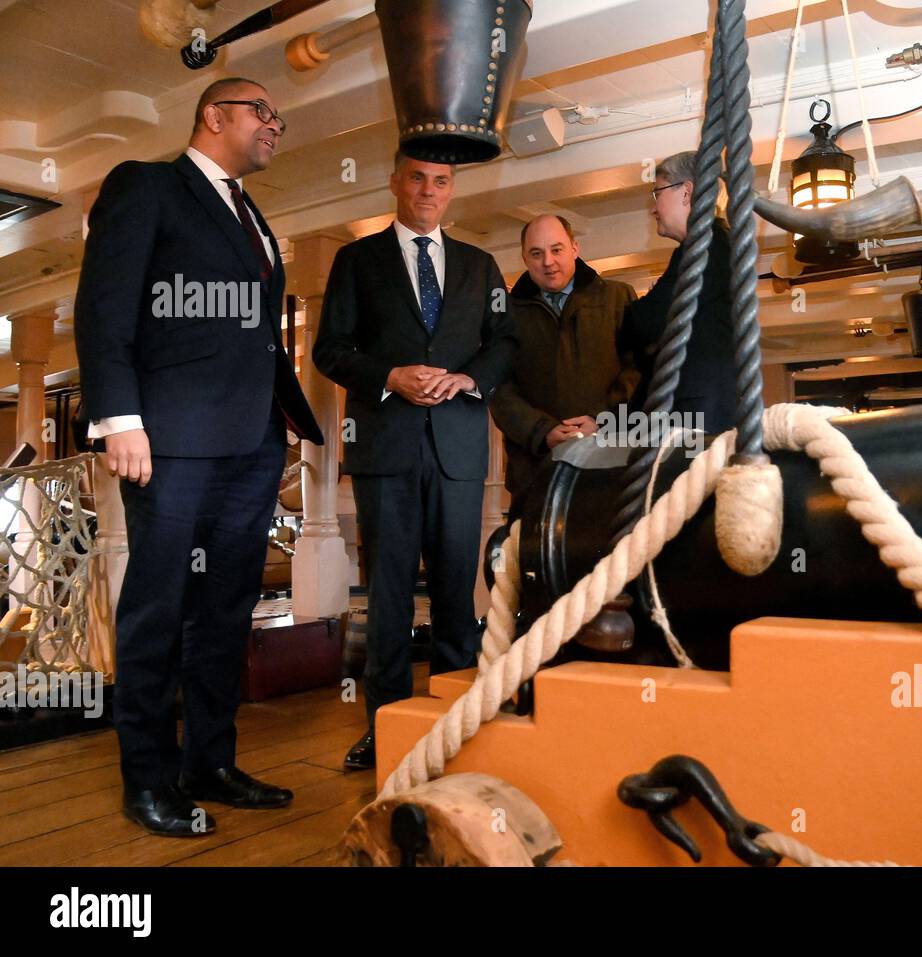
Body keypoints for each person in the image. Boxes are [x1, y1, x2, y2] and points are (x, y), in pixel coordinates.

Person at [74, 77, 324, 837]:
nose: (276, 125)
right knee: (159, 607)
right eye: (263, 112)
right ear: (214, 115)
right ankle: (146, 778)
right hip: (171, 440)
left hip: (252, 444)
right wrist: (120, 418)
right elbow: (104, 303)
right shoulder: (146, 186)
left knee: (224, 609)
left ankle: (209, 761)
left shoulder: (251, 214)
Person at [313, 151, 518, 772]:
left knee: (459, 595)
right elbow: (330, 349)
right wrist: (390, 376)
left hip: (458, 451)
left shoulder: (482, 267)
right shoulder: (356, 261)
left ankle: (456, 726)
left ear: (452, 191)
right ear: (395, 181)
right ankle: (387, 729)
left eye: (442, 181)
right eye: (418, 179)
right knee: (390, 598)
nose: (429, 191)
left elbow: (505, 341)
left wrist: (465, 380)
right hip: (386, 450)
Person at [490, 214, 639, 502]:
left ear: (574, 248)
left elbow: (638, 371)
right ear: (524, 257)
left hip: (610, 464)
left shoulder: (619, 297)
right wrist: (542, 431)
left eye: (556, 249)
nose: (548, 261)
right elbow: (497, 388)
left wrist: (601, 420)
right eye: (536, 253)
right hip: (535, 473)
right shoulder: (502, 313)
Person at [623, 150, 737, 434]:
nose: (653, 208)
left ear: (686, 193)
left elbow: (644, 323)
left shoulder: (704, 246)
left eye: (657, 193)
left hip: (695, 414)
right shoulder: (718, 245)